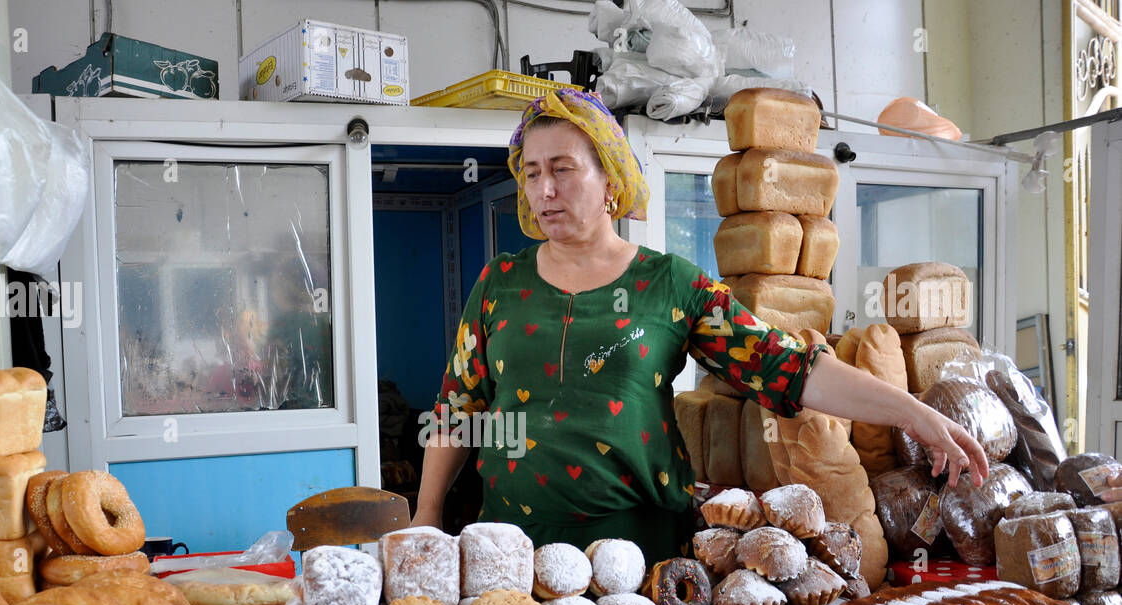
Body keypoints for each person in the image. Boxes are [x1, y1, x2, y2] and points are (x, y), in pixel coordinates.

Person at [411, 89, 988, 561]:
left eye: (563, 169)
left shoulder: (671, 285)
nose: (545, 190)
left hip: (636, 558)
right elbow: (458, 408)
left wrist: (917, 413)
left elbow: (788, 368)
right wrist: (427, 516)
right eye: (532, 173)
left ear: (610, 179)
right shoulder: (498, 284)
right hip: (506, 550)